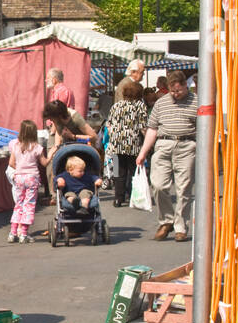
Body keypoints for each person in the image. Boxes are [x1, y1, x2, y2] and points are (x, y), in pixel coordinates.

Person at [134, 69, 197, 241]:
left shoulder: (196, 101)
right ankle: (166, 220)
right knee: (158, 185)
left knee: (184, 188)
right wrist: (143, 153)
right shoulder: (161, 103)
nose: (176, 94)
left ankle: (180, 227)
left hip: (186, 145)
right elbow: (152, 128)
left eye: (179, 90)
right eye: (173, 91)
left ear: (186, 85)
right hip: (163, 144)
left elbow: (204, 129)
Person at [40, 100, 97, 198]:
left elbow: (93, 137)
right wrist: (56, 146)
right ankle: (56, 194)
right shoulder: (56, 119)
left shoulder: (75, 118)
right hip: (67, 147)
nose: (51, 120)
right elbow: (59, 131)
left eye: (51, 118)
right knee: (54, 163)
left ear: (58, 115)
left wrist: (73, 136)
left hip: (81, 148)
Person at [105, 79, 148, 207]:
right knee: (133, 171)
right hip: (132, 144)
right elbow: (143, 126)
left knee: (118, 172)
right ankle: (132, 195)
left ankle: (118, 198)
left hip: (116, 145)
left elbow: (109, 124)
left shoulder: (116, 106)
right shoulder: (139, 106)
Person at [6, 120, 43, 243]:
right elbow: (45, 162)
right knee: (29, 205)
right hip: (32, 178)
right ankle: (24, 234)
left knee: (19, 205)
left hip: (19, 178)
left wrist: (20, 169)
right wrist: (53, 152)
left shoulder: (16, 146)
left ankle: (12, 232)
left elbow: (11, 163)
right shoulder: (37, 147)